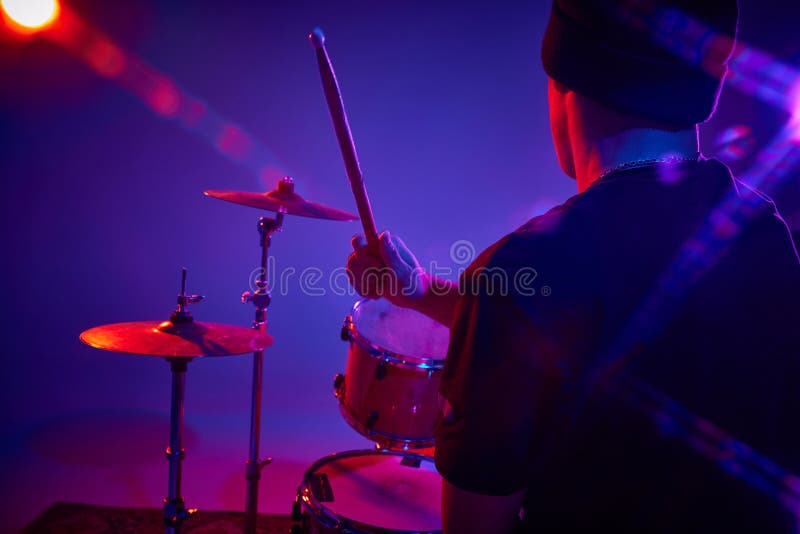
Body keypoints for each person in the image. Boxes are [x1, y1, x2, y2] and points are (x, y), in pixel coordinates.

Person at [346, 1, 800, 531]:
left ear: (563, 86)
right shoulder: (764, 237)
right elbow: (590, 329)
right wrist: (417, 289)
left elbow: (476, 525)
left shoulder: (528, 268)